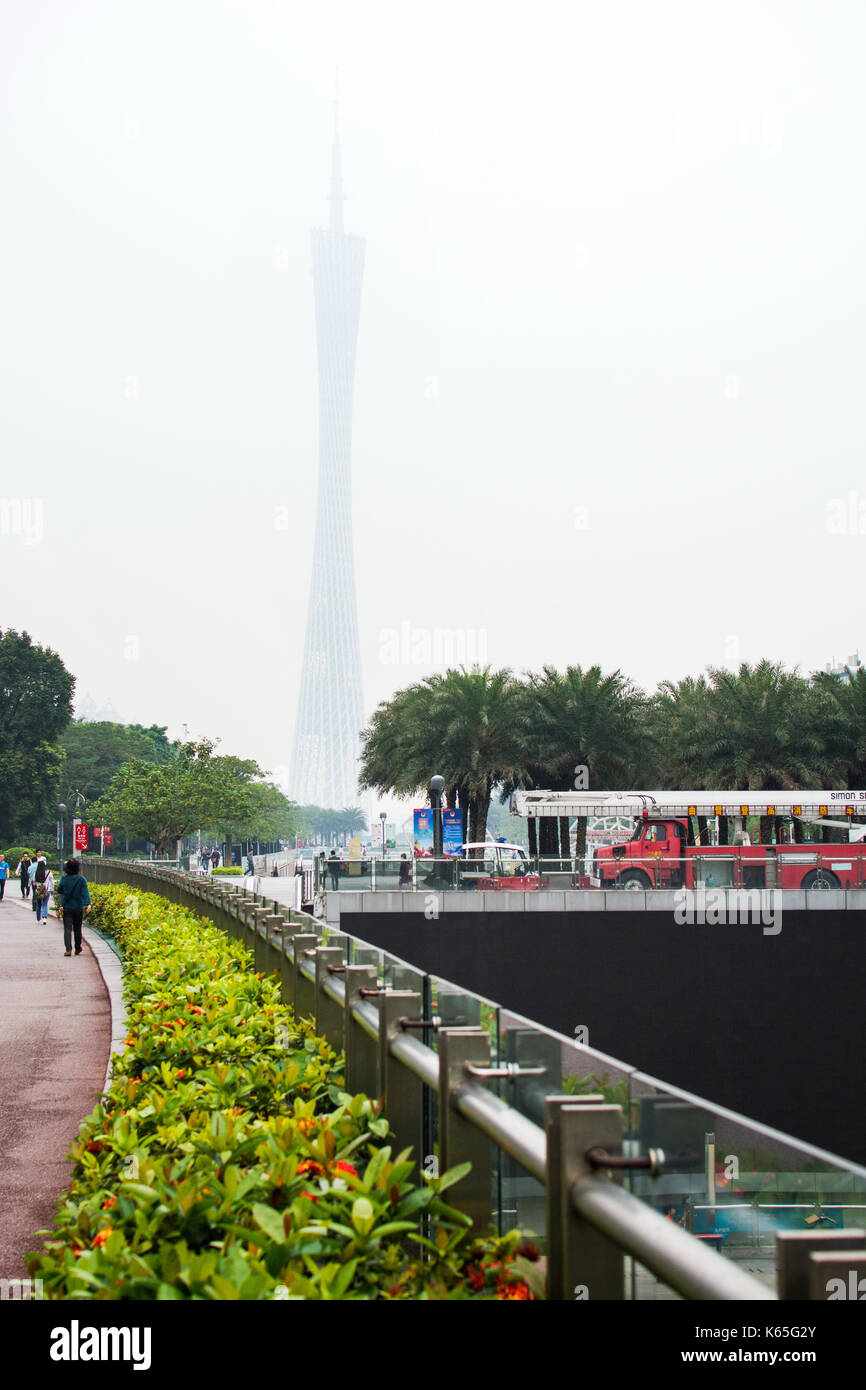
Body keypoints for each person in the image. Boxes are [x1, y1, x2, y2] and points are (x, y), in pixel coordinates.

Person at [56, 858, 91, 956]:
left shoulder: (64, 878)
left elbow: (59, 890)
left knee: (67, 928)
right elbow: (85, 893)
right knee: (77, 928)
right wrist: (88, 904)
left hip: (67, 907)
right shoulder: (81, 879)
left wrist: (66, 893)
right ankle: (77, 947)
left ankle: (68, 949)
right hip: (78, 907)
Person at [32, 851, 53, 922]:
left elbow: (34, 882)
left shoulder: (36, 873)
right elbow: (52, 882)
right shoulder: (49, 873)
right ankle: (44, 918)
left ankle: (38, 918)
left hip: (38, 890)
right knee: (44, 904)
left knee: (38, 904)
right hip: (47, 890)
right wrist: (52, 889)